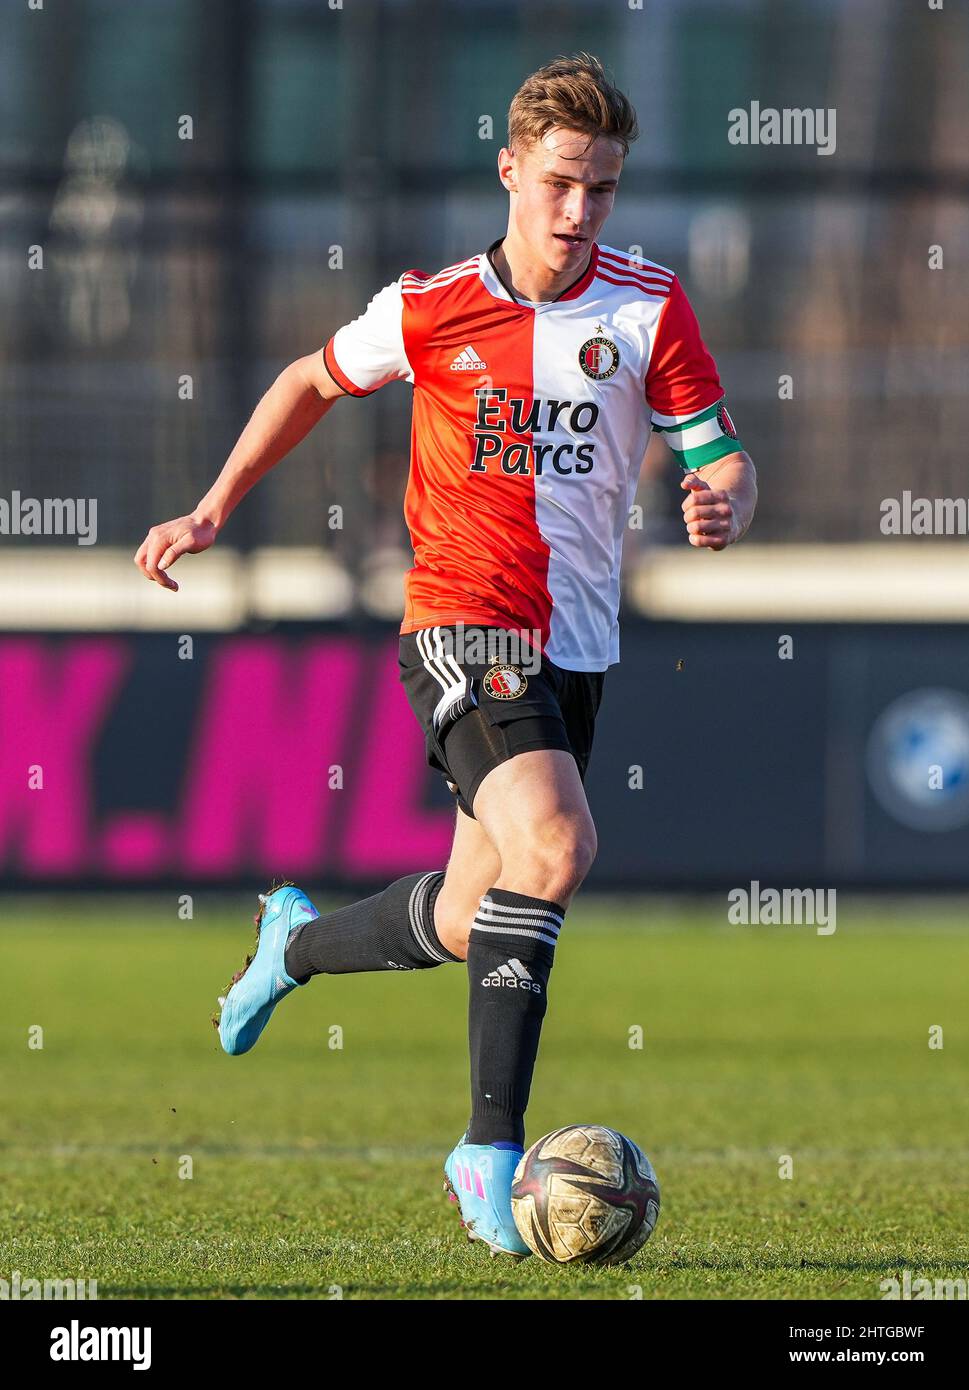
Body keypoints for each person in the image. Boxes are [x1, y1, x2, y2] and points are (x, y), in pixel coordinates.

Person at [134, 52, 757, 1258]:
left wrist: (721, 494)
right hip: (461, 617)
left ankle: (294, 943)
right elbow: (309, 380)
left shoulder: (647, 306)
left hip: (576, 645)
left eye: (604, 190)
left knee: (479, 914)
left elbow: (716, 447)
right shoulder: (431, 307)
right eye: (562, 183)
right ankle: (486, 1149)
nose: (579, 213)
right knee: (559, 843)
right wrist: (212, 509)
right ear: (511, 168)